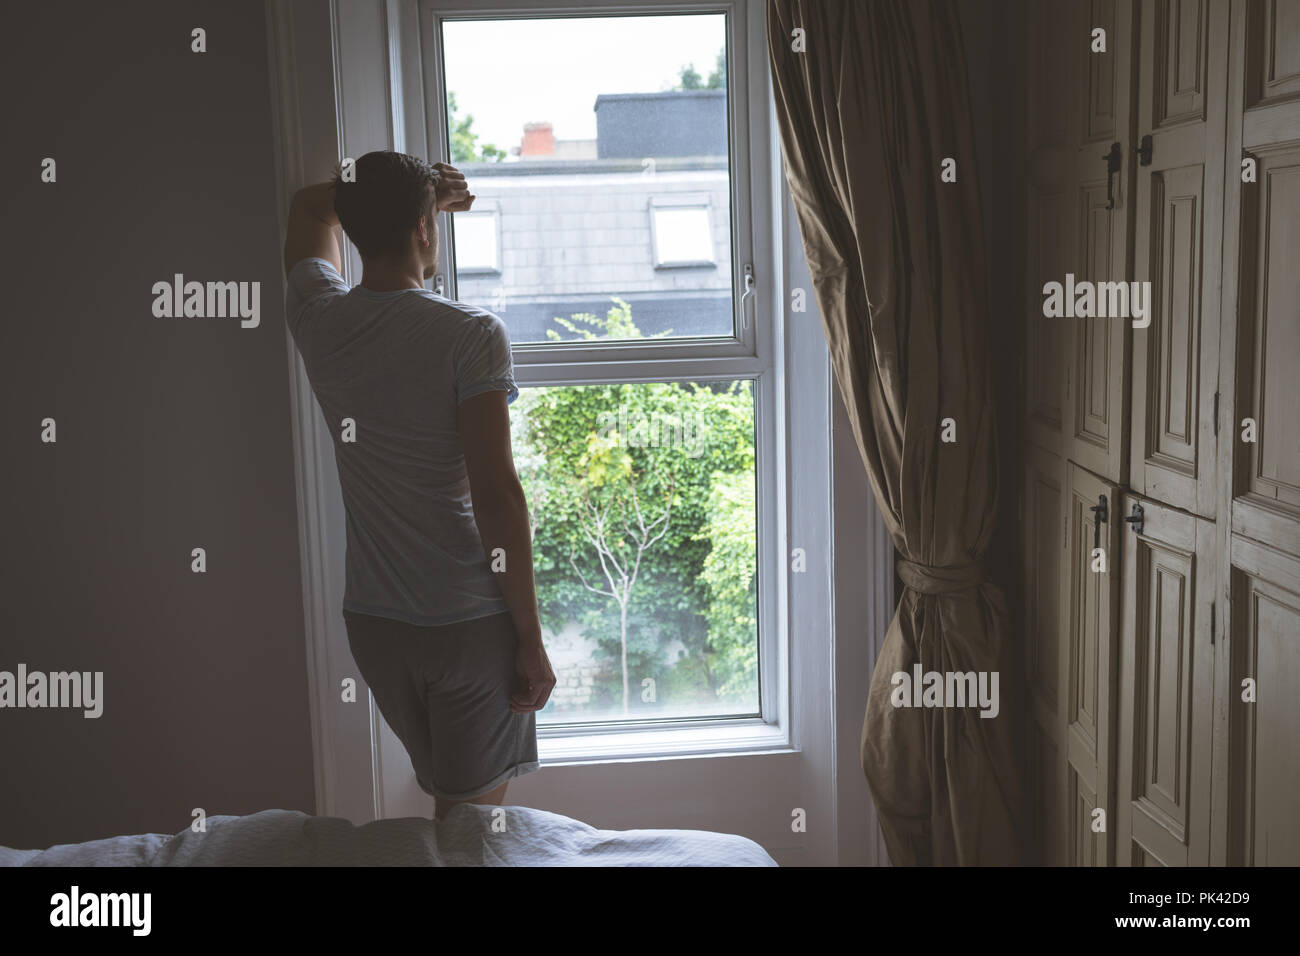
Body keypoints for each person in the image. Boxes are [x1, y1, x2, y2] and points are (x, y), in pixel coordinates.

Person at [281, 150, 555, 819]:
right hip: (464, 625)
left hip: (377, 627)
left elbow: (307, 208)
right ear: (426, 231)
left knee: (449, 813)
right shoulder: (470, 335)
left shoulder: (319, 319)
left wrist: (410, 193)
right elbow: (496, 497)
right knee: (470, 835)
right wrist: (530, 636)